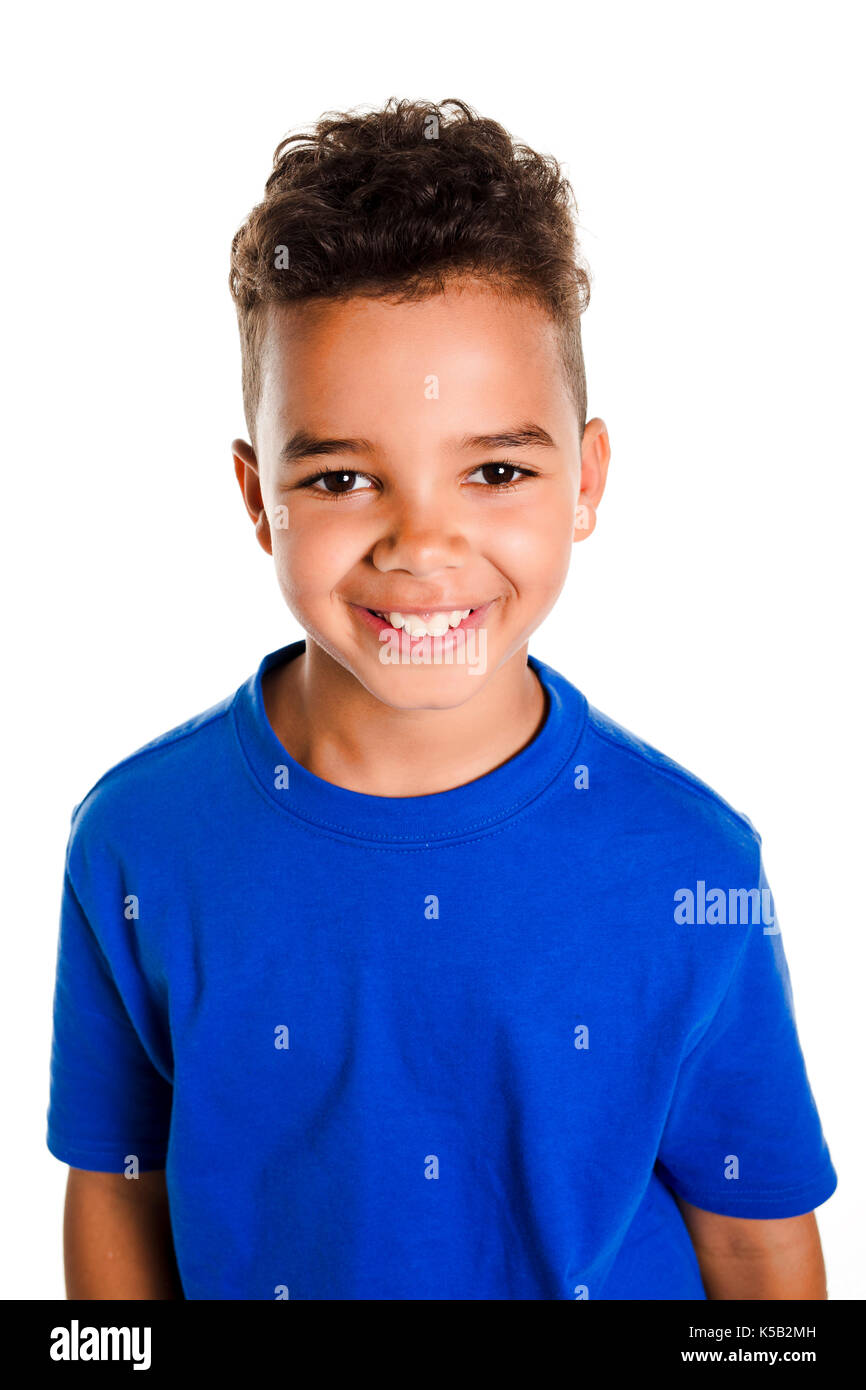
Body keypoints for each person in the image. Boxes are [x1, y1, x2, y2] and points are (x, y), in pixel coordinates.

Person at [47, 97, 836, 1300]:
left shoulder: (688, 858)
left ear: (587, 479)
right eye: (345, 475)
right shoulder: (139, 838)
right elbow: (119, 1181)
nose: (422, 543)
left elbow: (752, 1236)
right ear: (259, 498)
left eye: (496, 470)